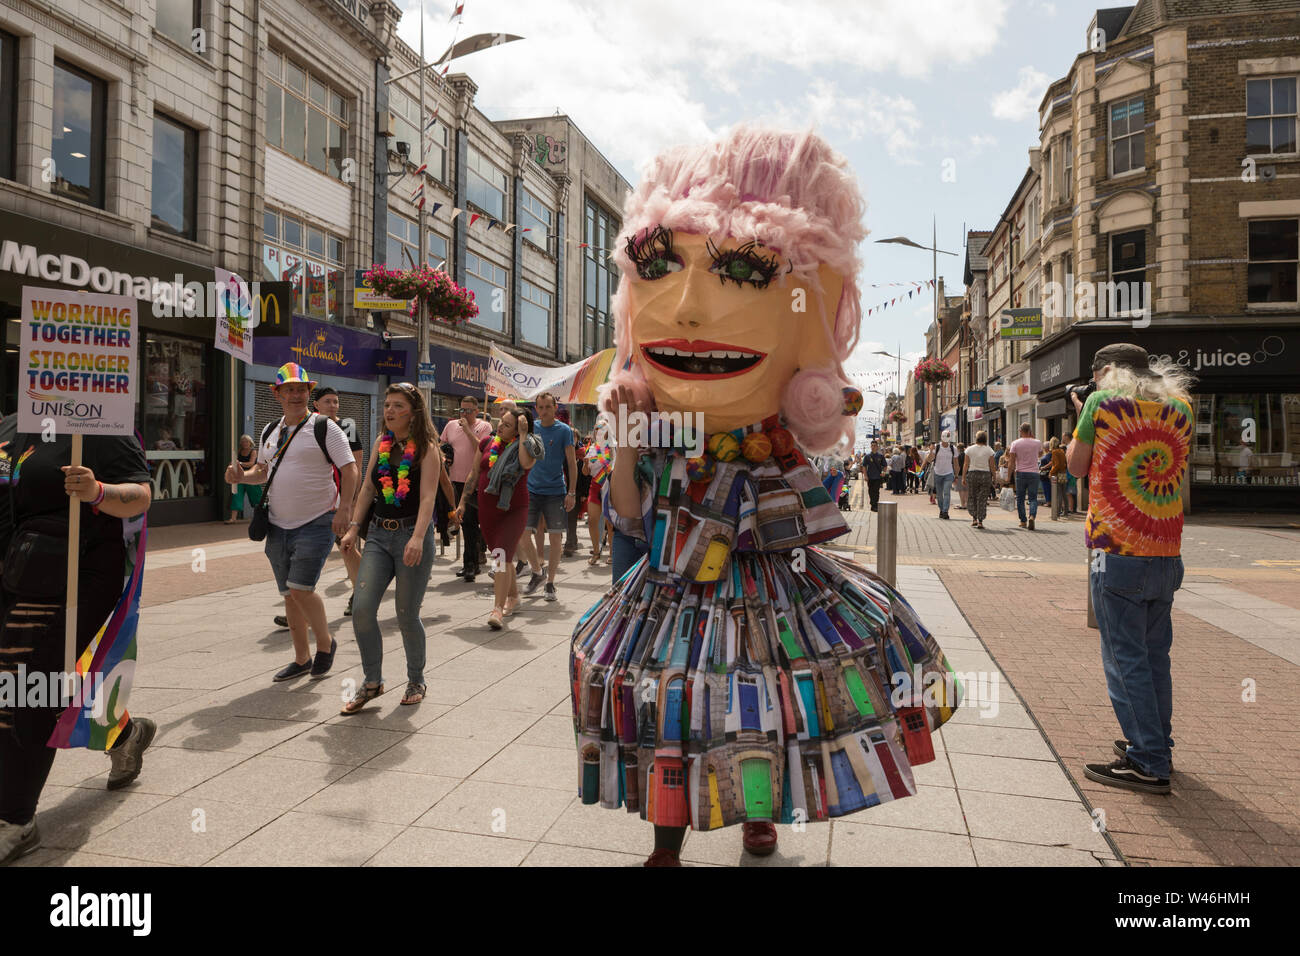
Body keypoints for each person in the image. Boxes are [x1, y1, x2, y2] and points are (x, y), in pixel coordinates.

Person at [573, 127, 960, 866]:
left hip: (772, 593)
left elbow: (815, 504)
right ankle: (666, 843)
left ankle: (760, 818)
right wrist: (625, 438)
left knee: (768, 707)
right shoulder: (663, 429)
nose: (687, 310)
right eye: (658, 271)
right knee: (673, 710)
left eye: (743, 274)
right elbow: (627, 512)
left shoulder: (775, 433)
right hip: (671, 591)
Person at [0, 418, 155, 865]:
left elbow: (141, 495)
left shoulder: (100, 421)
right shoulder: (11, 426)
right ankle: (124, 734)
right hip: (16, 571)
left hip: (76, 576)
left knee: (28, 688)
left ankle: (15, 820)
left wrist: (98, 492)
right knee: (39, 679)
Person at [1067, 343, 1195, 795]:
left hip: (1115, 549)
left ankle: (1147, 761)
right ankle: (1158, 746)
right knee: (1155, 655)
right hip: (1167, 549)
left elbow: (1076, 466)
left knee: (1124, 659)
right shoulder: (1181, 407)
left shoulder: (1102, 403)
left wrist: (1083, 412)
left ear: (1106, 372)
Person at [225, 363, 357, 682]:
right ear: (277, 394)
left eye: (301, 389)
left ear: (308, 394)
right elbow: (263, 472)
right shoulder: (270, 430)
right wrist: (243, 475)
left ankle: (326, 643)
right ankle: (301, 659)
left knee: (300, 589)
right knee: (288, 593)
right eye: (290, 390)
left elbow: (350, 469)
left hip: (317, 520)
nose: (296, 395)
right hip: (277, 523)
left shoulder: (326, 427)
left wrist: (345, 509)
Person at [337, 384, 442, 712]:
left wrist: (417, 538)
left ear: (413, 412)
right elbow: (368, 487)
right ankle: (372, 681)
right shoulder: (382, 444)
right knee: (362, 608)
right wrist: (354, 527)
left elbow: (427, 497)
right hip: (379, 536)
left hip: (412, 533)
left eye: (398, 405)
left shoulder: (427, 449)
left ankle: (416, 678)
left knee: (406, 614)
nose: (390, 411)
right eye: (387, 405)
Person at [460, 408, 540, 629]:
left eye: (506, 424)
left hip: (513, 509)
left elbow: (525, 464)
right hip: (487, 510)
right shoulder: (486, 442)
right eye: (501, 422)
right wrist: (462, 502)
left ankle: (497, 609)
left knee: (501, 556)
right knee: (499, 554)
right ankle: (513, 597)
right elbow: (474, 473)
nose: (500, 426)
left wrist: (523, 434)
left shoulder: (529, 444)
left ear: (519, 428)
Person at [312, 387, 365, 616]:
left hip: (339, 500)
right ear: (316, 405)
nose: (333, 405)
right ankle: (298, 601)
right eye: (327, 401)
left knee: (346, 547)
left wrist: (352, 501)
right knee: (307, 549)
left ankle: (361, 594)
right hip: (314, 500)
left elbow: (357, 465)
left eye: (335, 402)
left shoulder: (347, 427)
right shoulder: (309, 427)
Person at [518, 393, 576, 603]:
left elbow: (571, 463)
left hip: (555, 491)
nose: (543, 411)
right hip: (532, 489)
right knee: (523, 534)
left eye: (547, 407)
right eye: (540, 407)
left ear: (555, 407)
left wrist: (572, 492)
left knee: (555, 537)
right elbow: (525, 457)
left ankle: (550, 582)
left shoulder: (564, 430)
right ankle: (537, 571)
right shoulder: (532, 428)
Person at [440, 396, 493, 584]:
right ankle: (470, 564)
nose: (464, 414)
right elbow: (442, 446)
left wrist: (468, 430)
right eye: (462, 410)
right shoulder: (451, 426)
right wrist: (445, 456)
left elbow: (483, 447)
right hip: (456, 480)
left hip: (476, 482)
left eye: (469, 410)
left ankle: (474, 560)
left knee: (476, 523)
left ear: (477, 411)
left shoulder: (484, 427)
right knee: (466, 523)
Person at [1008, 423, 1043, 531]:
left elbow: (1011, 461)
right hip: (1034, 473)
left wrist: (1008, 476)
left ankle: (1023, 521)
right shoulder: (1037, 442)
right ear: (1030, 431)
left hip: (1021, 473)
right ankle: (1032, 516)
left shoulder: (1015, 443)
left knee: (1020, 498)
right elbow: (1040, 454)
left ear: (1020, 431)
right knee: (1033, 498)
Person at [962, 431, 996, 529]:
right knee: (982, 498)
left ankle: (974, 519)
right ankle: (980, 521)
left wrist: (963, 477)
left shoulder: (969, 449)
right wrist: (994, 477)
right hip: (985, 475)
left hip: (972, 474)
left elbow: (966, 464)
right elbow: (992, 466)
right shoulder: (989, 450)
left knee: (972, 496)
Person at [227, 433, 262, 524]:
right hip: (239, 477)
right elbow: (234, 462)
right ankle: (233, 519)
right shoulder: (239, 451)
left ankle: (259, 517)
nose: (244, 443)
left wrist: (239, 463)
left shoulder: (253, 451)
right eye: (243, 442)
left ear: (250, 442)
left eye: (246, 442)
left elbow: (251, 463)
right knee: (236, 495)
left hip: (251, 476)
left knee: (256, 497)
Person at [927, 431, 956, 518]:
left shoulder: (953, 448)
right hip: (938, 473)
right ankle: (941, 509)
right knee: (939, 494)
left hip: (948, 473)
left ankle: (945, 511)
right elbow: (929, 459)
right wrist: (931, 450)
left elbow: (956, 463)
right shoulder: (937, 447)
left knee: (947, 492)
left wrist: (956, 475)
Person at [863, 439, 888, 511]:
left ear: (877, 447)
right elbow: (864, 466)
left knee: (876, 491)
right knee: (870, 491)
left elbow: (885, 466)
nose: (873, 447)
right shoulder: (867, 456)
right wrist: (865, 476)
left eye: (875, 446)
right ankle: (872, 504)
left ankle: (875, 505)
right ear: (870, 447)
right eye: (872, 446)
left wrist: (883, 472)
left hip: (878, 477)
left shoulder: (880, 456)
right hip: (870, 477)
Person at [1049, 436, 1069, 520]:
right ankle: (1066, 511)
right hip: (1063, 473)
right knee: (1064, 493)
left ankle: (1057, 513)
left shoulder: (1055, 452)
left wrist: (1051, 472)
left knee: (1058, 493)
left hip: (1057, 474)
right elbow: (1064, 462)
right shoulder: (1061, 451)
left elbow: (1056, 464)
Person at [954, 442, 967, 510]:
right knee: (966, 489)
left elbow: (958, 466)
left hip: (960, 474)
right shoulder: (966, 455)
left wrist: (956, 475)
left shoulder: (959, 456)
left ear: (958, 448)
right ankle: (967, 504)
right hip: (967, 474)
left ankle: (963, 504)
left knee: (961, 490)